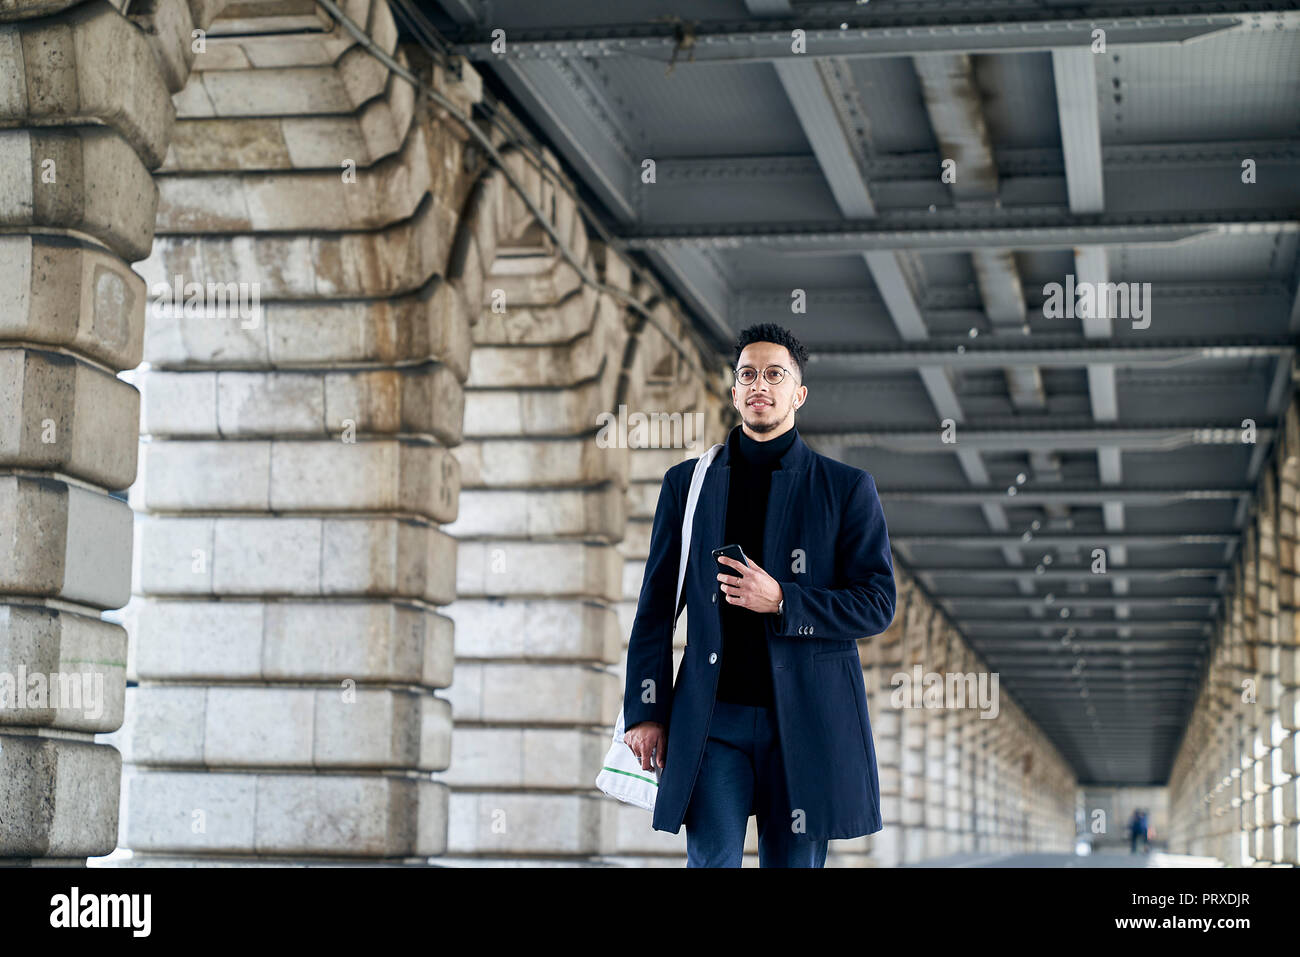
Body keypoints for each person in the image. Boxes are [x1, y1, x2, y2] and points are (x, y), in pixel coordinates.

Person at [622, 323, 897, 867]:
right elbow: (655, 606)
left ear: (798, 393)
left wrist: (784, 601)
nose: (759, 384)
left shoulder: (845, 488)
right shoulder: (688, 484)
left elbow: (876, 602)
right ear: (733, 392)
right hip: (712, 719)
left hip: (805, 720)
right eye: (747, 374)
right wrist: (645, 709)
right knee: (711, 861)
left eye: (775, 374)